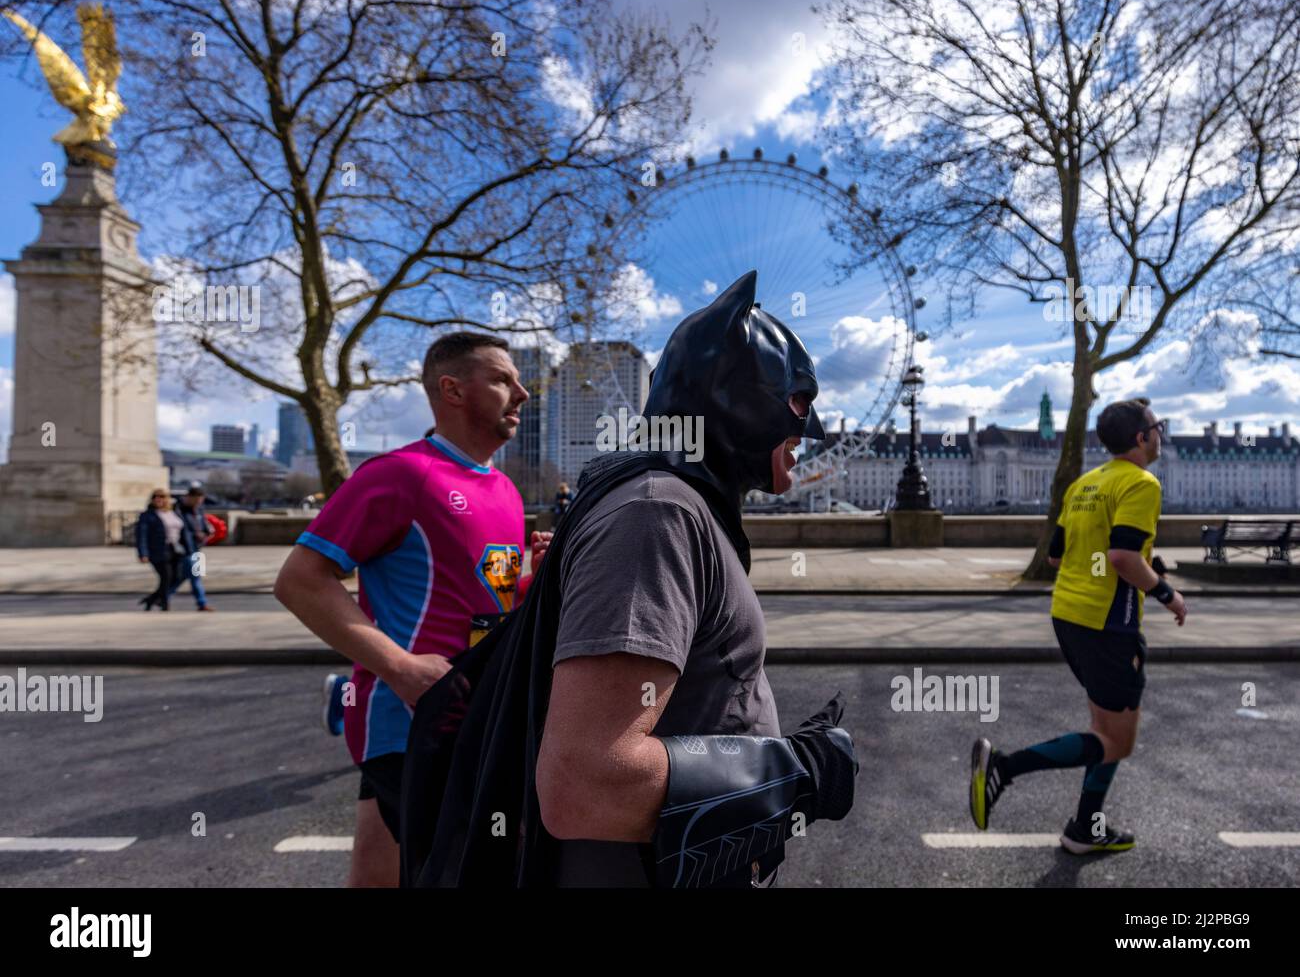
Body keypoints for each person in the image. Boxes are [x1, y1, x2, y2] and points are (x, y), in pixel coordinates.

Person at [401, 270, 858, 888]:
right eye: (799, 402)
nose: (813, 429)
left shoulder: (671, 507)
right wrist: (794, 773)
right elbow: (586, 783)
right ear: (735, 399)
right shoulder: (655, 514)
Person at [274, 331, 550, 887]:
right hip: (415, 722)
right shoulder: (400, 475)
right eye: (502, 379)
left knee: (381, 872)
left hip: (468, 713)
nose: (522, 393)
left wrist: (530, 584)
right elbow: (301, 581)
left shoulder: (505, 489)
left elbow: (483, 597)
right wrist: (400, 668)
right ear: (451, 390)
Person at [971, 398, 1188, 853]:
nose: (1161, 433)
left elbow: (1055, 556)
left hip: (1069, 615)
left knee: (1104, 728)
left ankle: (1085, 829)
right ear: (1142, 438)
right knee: (1118, 742)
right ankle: (1005, 768)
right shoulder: (1141, 483)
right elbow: (1123, 557)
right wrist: (1167, 593)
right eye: (1158, 427)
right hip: (1107, 623)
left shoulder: (1083, 484)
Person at [135, 489, 195, 612]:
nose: (158, 499)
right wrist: (143, 554)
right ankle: (164, 603)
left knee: (177, 577)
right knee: (166, 577)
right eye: (155, 497)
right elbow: (141, 536)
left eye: (162, 497)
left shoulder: (174, 512)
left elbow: (184, 531)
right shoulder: (147, 515)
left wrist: (191, 550)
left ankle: (152, 599)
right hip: (158, 550)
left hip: (176, 549)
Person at [172, 483, 216, 612]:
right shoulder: (178, 509)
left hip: (197, 548)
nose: (198, 503)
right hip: (185, 548)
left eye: (200, 500)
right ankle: (202, 603)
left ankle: (163, 596)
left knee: (183, 577)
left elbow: (202, 524)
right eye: (196, 500)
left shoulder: (198, 509)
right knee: (196, 576)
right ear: (189, 497)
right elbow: (182, 529)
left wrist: (205, 533)